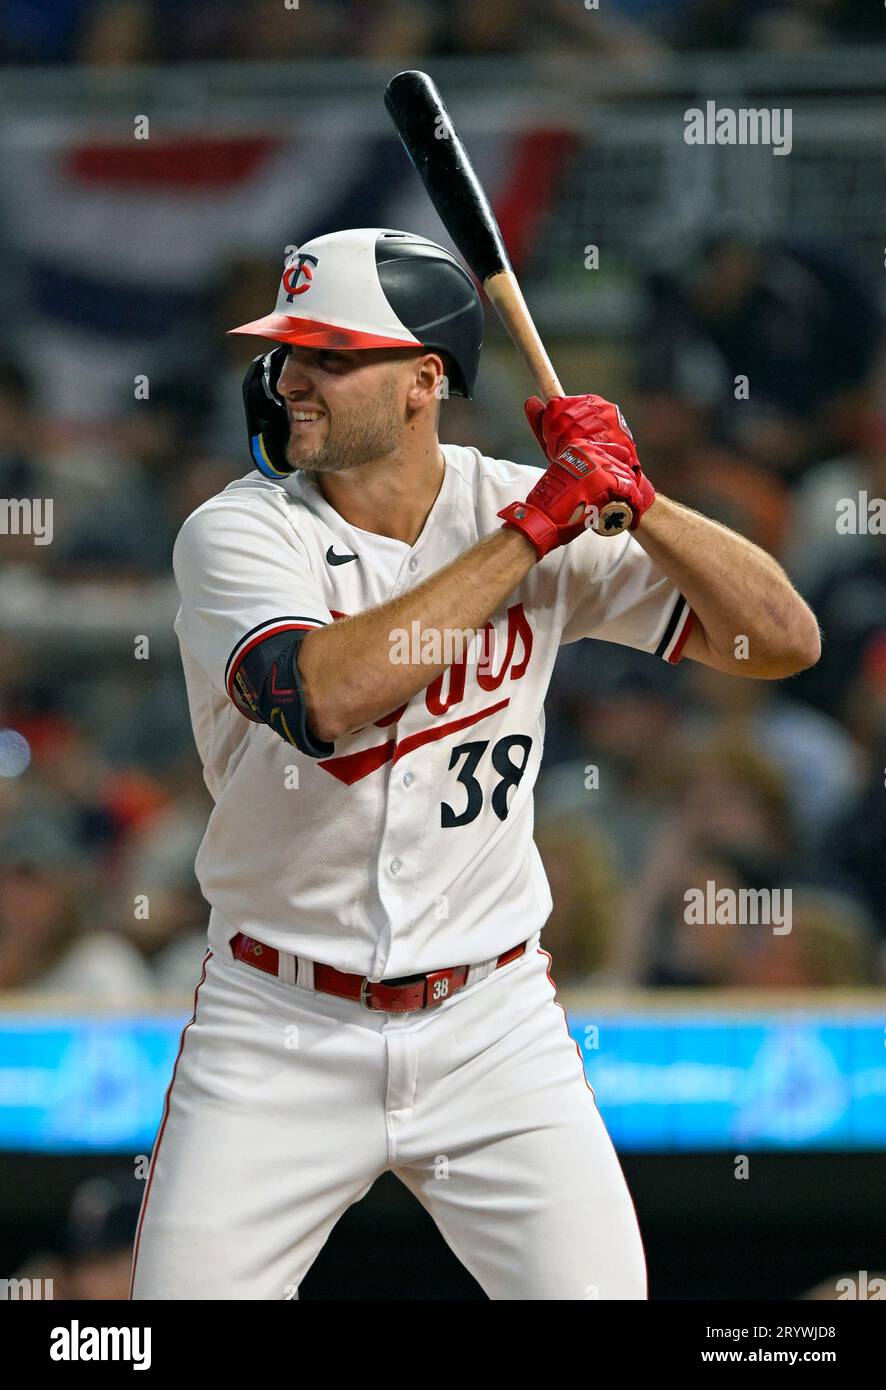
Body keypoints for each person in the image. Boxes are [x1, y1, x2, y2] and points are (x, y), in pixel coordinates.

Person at [130, 227, 820, 1301]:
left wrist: (643, 499)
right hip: (278, 1023)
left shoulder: (522, 507)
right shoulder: (239, 532)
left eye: (330, 354)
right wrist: (536, 528)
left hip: (489, 1022)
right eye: (289, 351)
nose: (291, 378)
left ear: (424, 380)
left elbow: (779, 639)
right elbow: (321, 696)